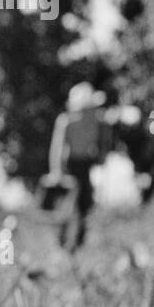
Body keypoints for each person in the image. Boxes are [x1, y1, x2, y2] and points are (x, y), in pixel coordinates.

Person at [43, 82, 111, 251]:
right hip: (68, 168)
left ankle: (77, 244)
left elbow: (104, 144)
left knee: (85, 205)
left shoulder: (98, 121)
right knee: (66, 208)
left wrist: (101, 156)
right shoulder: (66, 121)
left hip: (85, 166)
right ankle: (63, 243)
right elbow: (57, 148)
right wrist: (57, 172)